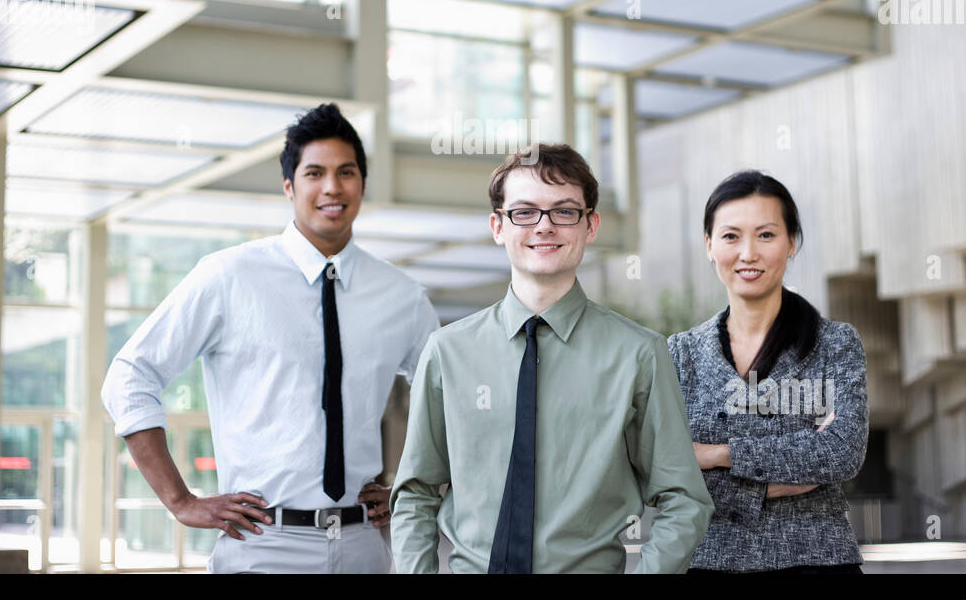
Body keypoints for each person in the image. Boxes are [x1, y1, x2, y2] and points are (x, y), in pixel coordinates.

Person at [102, 103, 440, 573]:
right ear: (289, 185)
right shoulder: (229, 277)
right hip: (262, 545)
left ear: (362, 183)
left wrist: (414, 484)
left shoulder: (402, 296)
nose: (331, 187)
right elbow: (129, 375)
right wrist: (180, 499)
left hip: (366, 547)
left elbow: (451, 400)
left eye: (346, 172)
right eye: (314, 172)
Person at [389, 143, 713, 573]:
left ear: (591, 225)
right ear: (497, 226)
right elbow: (416, 491)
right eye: (524, 212)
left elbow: (682, 497)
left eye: (564, 212)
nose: (544, 226)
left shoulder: (639, 354)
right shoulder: (447, 352)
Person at [667, 169, 868, 574]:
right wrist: (793, 469)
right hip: (708, 562)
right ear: (709, 245)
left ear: (791, 242)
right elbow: (666, 470)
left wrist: (717, 455)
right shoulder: (679, 353)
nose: (748, 253)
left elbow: (841, 453)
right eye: (730, 236)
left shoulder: (835, 344)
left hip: (819, 559)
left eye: (765, 235)